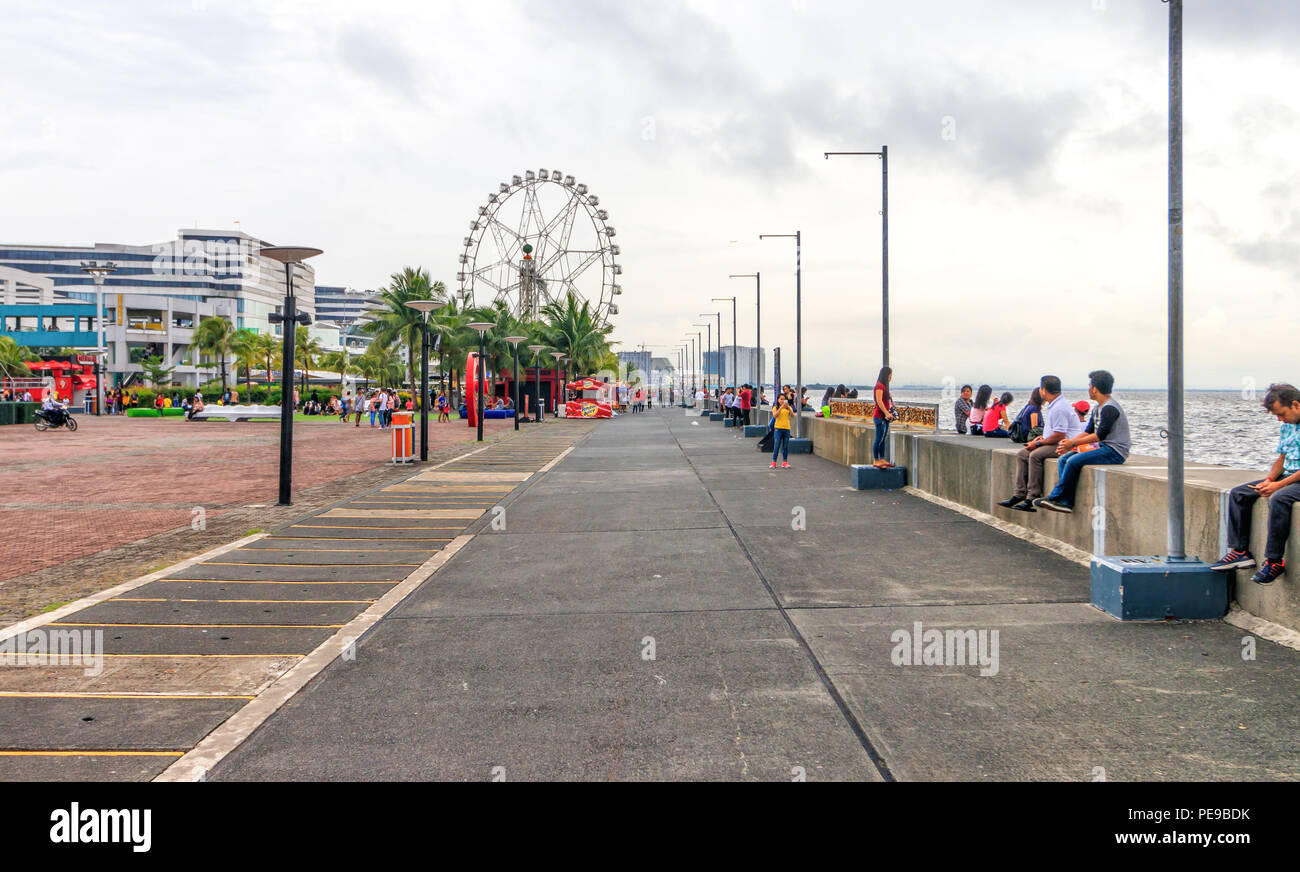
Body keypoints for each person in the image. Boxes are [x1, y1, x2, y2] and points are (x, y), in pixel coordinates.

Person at [1209, 383, 1300, 584]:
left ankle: (1274, 561)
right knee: (1239, 493)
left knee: (1279, 499)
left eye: (1282, 414)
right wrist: (1269, 480)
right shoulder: (1288, 426)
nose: (1279, 419)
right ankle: (1240, 552)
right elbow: (1282, 459)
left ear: (1296, 405)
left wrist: (1278, 486)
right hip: (1288, 475)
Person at [1035, 370, 1131, 514]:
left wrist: (1072, 444)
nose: (1088, 389)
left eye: (1089, 386)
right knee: (1064, 459)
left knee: (1074, 462)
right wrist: (1069, 443)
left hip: (1114, 451)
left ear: (1095, 389)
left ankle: (1055, 496)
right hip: (1102, 446)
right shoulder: (1098, 408)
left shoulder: (1109, 408)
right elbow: (1088, 431)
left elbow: (1099, 435)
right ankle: (1066, 502)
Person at [998, 375, 1083, 513]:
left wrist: (1038, 444)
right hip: (1054, 441)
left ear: (1043, 390)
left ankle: (1032, 497)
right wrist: (1039, 438)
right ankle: (1019, 494)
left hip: (1065, 445)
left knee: (1035, 455)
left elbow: (1059, 435)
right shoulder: (1054, 404)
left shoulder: (1060, 407)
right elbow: (1051, 432)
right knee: (1022, 454)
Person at [872, 366, 896, 468]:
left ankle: (882, 459)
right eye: (890, 375)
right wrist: (886, 413)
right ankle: (876, 460)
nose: (891, 377)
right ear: (887, 375)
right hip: (880, 417)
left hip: (885, 418)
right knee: (878, 439)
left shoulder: (884, 387)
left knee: (883, 439)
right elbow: (879, 401)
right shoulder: (879, 386)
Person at [770, 393, 793, 469]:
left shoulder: (788, 407)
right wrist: (781, 407)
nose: (782, 401)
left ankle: (785, 462)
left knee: (785, 446)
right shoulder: (775, 407)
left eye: (784, 399)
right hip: (778, 429)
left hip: (786, 428)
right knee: (776, 445)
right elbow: (775, 416)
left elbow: (793, 416)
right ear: (778, 400)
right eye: (781, 399)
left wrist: (788, 408)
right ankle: (774, 462)